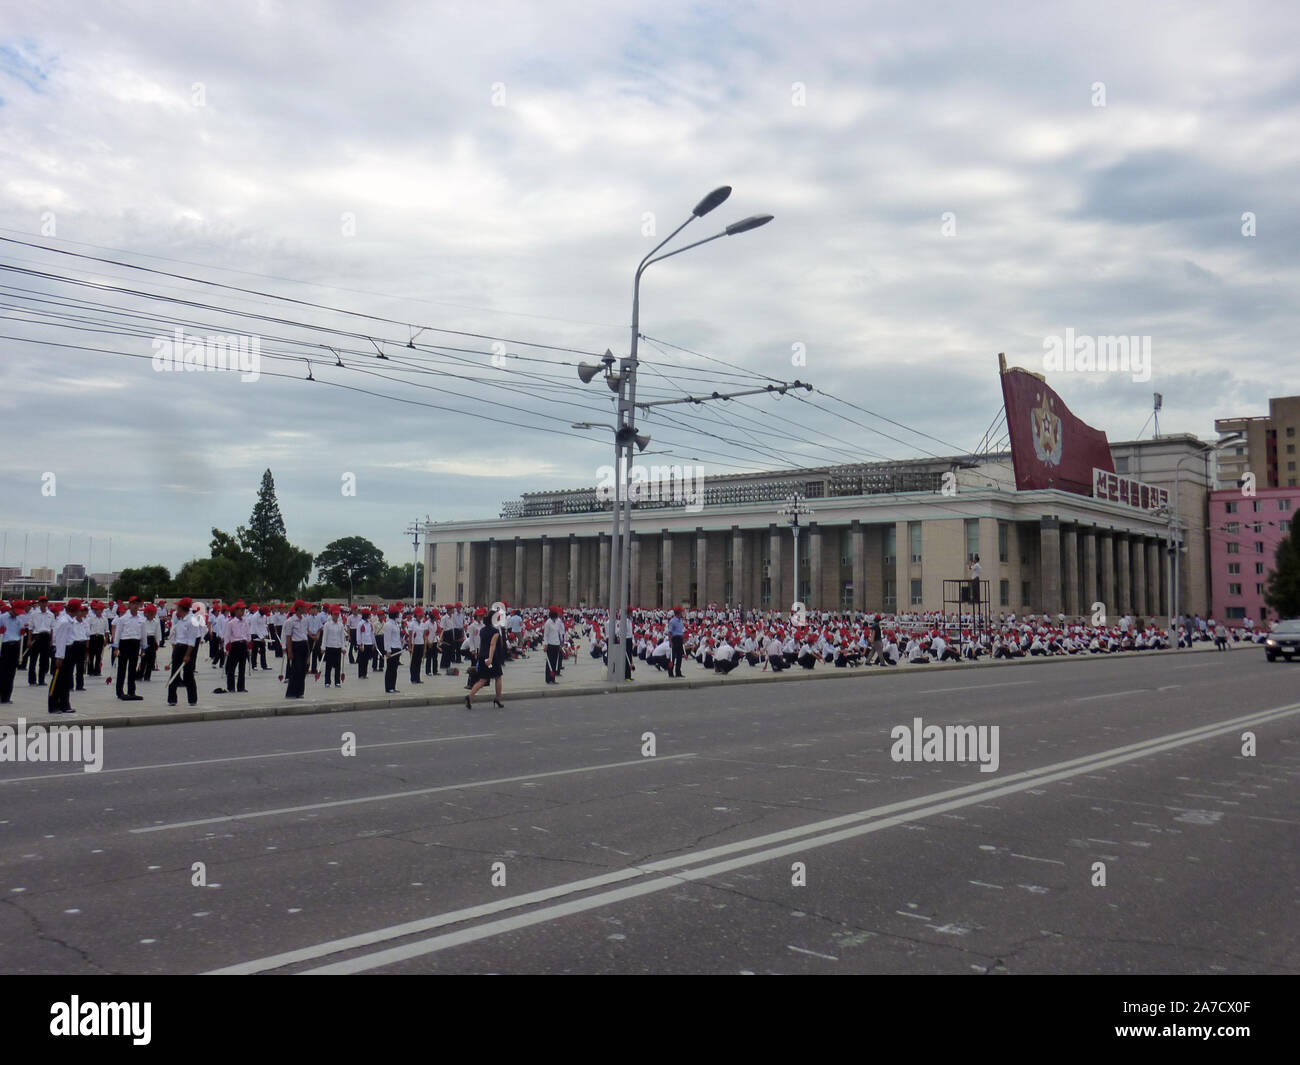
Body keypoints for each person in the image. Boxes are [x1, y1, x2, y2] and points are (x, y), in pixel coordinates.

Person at [466, 611, 506, 709]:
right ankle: (498, 698)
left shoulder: (482, 630)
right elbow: (492, 645)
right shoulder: (495, 631)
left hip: (482, 656)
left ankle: (470, 696)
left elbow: (482, 644)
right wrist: (491, 659)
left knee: (482, 680)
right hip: (492, 659)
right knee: (498, 677)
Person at [167, 598, 203, 706]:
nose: (176, 609)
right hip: (178, 647)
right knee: (174, 673)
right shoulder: (180, 620)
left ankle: (192, 699)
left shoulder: (192, 621)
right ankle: (172, 699)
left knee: (188, 675)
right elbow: (177, 636)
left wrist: (187, 655)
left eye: (178, 607)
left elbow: (192, 640)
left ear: (182, 608)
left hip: (187, 648)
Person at [115, 597, 147, 700]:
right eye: (134, 604)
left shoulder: (141, 619)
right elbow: (118, 633)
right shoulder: (123, 619)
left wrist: (143, 648)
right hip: (125, 643)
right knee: (122, 668)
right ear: (129, 605)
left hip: (135, 643)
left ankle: (131, 691)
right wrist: (116, 647)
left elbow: (143, 634)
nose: (136, 606)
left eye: (137, 604)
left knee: (132, 668)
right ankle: (120, 692)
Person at [283, 600, 311, 699]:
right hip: (295, 645)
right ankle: (291, 692)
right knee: (296, 670)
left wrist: (308, 651)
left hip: (304, 644)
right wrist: (289, 651)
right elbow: (288, 637)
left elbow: (305, 635)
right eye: (304, 607)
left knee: (303, 670)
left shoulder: (305, 620)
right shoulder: (290, 621)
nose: (306, 609)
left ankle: (300, 691)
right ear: (299, 608)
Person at [223, 602, 252, 693]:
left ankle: (241, 687)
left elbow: (248, 633)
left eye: (244, 610)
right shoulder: (231, 623)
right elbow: (227, 636)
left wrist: (249, 643)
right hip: (234, 645)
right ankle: (231, 687)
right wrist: (225, 647)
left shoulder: (245, 622)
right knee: (231, 668)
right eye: (241, 609)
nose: (242, 611)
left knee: (242, 667)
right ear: (236, 611)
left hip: (243, 645)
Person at [0, 600, 22, 703]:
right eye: (16, 611)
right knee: (2, 672)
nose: (17, 614)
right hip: (5, 646)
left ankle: (6, 697)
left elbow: (20, 634)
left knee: (11, 673)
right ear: (12, 609)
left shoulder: (19, 619)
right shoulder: (2, 618)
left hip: (15, 645)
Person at [321, 606, 347, 687]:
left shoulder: (341, 625)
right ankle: (327, 681)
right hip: (329, 646)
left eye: (337, 614)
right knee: (328, 665)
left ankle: (337, 681)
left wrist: (343, 647)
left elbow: (342, 637)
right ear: (331, 614)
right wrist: (323, 647)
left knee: (338, 666)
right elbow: (324, 637)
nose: (336, 616)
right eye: (335, 614)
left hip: (338, 647)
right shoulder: (327, 625)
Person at [382, 607, 403, 693]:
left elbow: (397, 638)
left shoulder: (396, 624)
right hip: (391, 649)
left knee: (394, 669)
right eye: (397, 613)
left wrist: (400, 648)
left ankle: (393, 686)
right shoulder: (388, 625)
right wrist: (388, 650)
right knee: (390, 669)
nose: (399, 615)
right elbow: (387, 639)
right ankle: (388, 687)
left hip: (397, 648)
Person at [543, 607, 564, 683]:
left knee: (555, 662)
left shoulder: (559, 621)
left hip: (557, 644)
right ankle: (548, 679)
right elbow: (545, 635)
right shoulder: (548, 623)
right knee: (549, 663)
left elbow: (561, 631)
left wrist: (562, 641)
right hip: (550, 644)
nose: (555, 619)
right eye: (553, 618)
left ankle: (553, 678)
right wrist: (545, 645)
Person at [668, 606, 686, 678]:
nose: (682, 613)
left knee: (679, 657)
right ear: (678, 613)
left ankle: (678, 672)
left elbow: (681, 631)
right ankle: (670, 672)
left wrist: (683, 640)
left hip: (680, 639)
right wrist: (670, 642)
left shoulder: (681, 621)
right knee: (672, 657)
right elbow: (670, 632)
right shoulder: (672, 621)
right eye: (681, 611)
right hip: (674, 639)